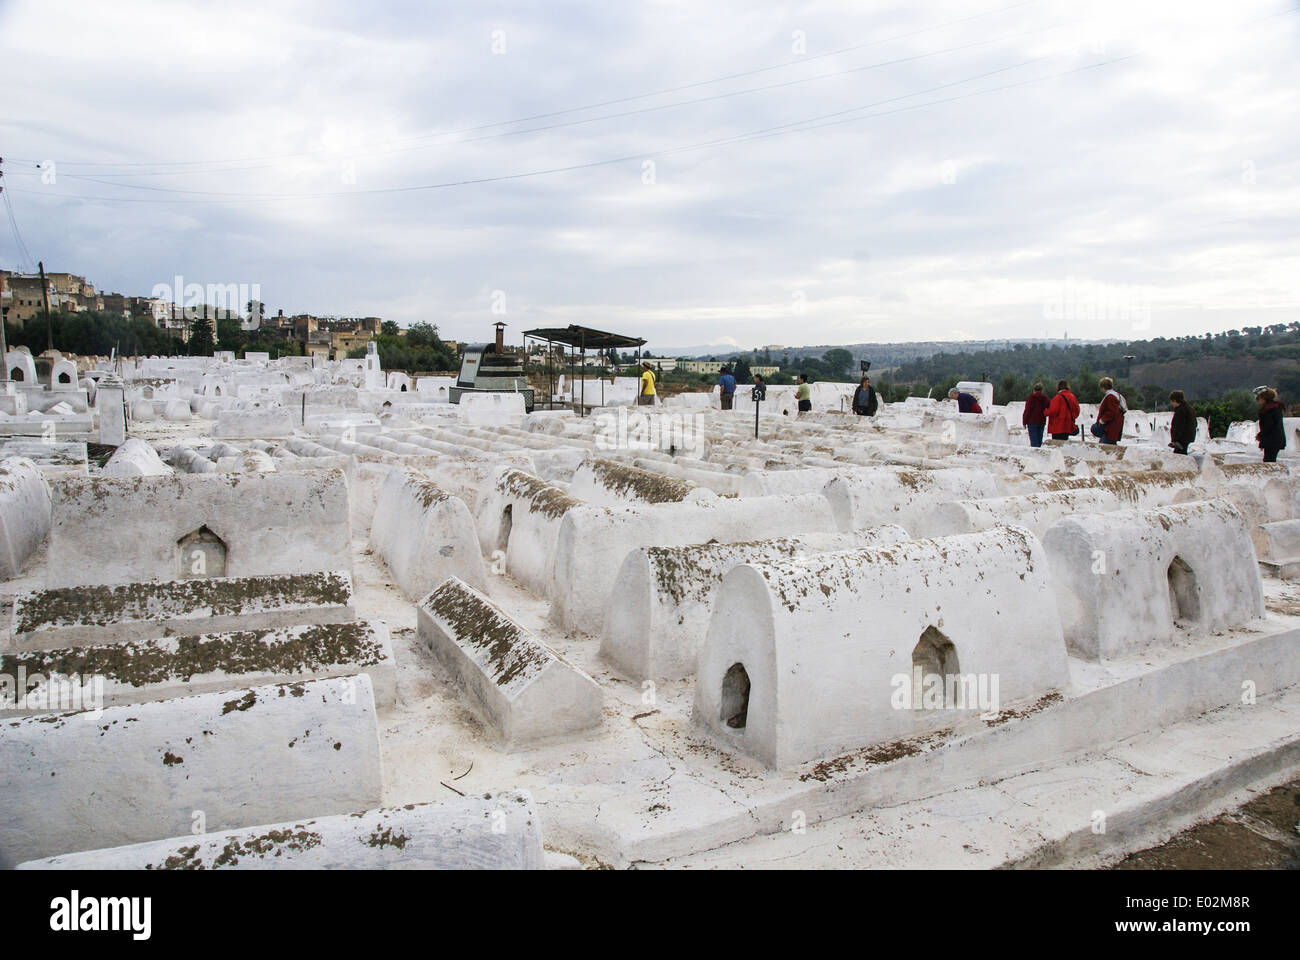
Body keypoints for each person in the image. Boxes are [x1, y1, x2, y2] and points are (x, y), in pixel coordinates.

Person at [1093, 377, 1126, 445]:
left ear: (1103, 387)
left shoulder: (1110, 396)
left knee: (1104, 446)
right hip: (1115, 424)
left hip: (1110, 426)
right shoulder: (1117, 395)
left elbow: (1112, 411)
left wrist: (1102, 420)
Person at [1256, 387, 1285, 462]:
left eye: (1258, 399)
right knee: (1271, 459)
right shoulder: (1277, 407)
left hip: (1271, 441)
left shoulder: (1267, 410)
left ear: (1263, 398)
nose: (1258, 401)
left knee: (1268, 460)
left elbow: (1268, 426)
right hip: (1278, 439)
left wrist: (1260, 435)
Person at [1168, 390, 1196, 455]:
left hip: (1181, 439)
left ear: (1174, 400)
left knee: (1178, 456)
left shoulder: (1181, 410)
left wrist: (1175, 440)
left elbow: (1178, 426)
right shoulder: (1190, 408)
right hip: (1189, 437)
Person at [1022, 383, 1049, 448]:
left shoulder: (1031, 398)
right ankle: (1039, 453)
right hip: (1041, 421)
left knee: (1034, 441)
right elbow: (1049, 407)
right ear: (1042, 390)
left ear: (1034, 390)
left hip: (1032, 422)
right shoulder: (1045, 398)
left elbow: (1027, 411)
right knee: (1039, 440)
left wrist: (1024, 422)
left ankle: (1035, 455)